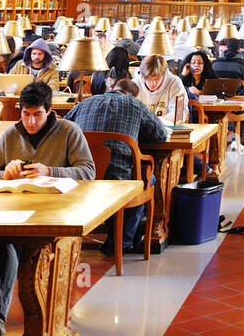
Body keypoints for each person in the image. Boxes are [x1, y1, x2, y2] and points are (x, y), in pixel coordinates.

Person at [0, 81, 95, 336]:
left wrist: (51, 171)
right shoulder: (10, 134)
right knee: (2, 246)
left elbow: (87, 171)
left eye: (37, 114)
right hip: (12, 212)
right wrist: (4, 174)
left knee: (24, 252)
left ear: (49, 111)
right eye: (25, 114)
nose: (30, 121)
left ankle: (44, 325)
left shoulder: (69, 131)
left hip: (55, 215)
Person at [64, 81, 167, 256]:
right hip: (119, 179)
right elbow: (160, 135)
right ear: (132, 95)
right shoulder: (135, 104)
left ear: (112, 89)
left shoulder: (86, 102)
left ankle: (114, 234)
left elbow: (63, 128)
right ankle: (123, 241)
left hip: (82, 175)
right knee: (146, 179)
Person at [134, 55, 188, 123]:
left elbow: (179, 115)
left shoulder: (175, 83)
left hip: (168, 129)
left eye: (157, 79)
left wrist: (155, 121)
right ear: (143, 75)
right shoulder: (134, 85)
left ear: (163, 74)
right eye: (148, 79)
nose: (153, 83)